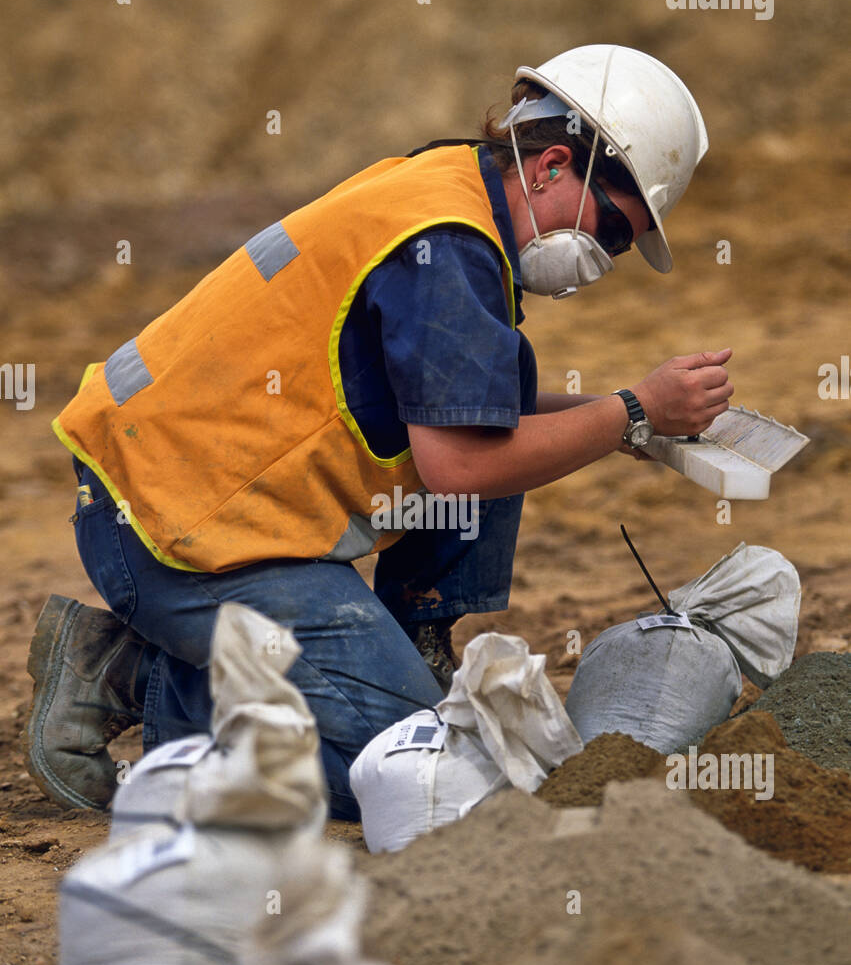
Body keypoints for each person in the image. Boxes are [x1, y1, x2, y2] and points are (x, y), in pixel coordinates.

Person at [25, 43, 733, 820]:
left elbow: (468, 407)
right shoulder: (448, 248)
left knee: (501, 385)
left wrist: (625, 422)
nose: (607, 256)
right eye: (616, 231)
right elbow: (461, 466)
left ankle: (411, 638)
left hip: (196, 495)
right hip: (183, 539)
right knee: (418, 773)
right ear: (552, 166)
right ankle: (131, 676)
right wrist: (630, 409)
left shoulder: (451, 186)